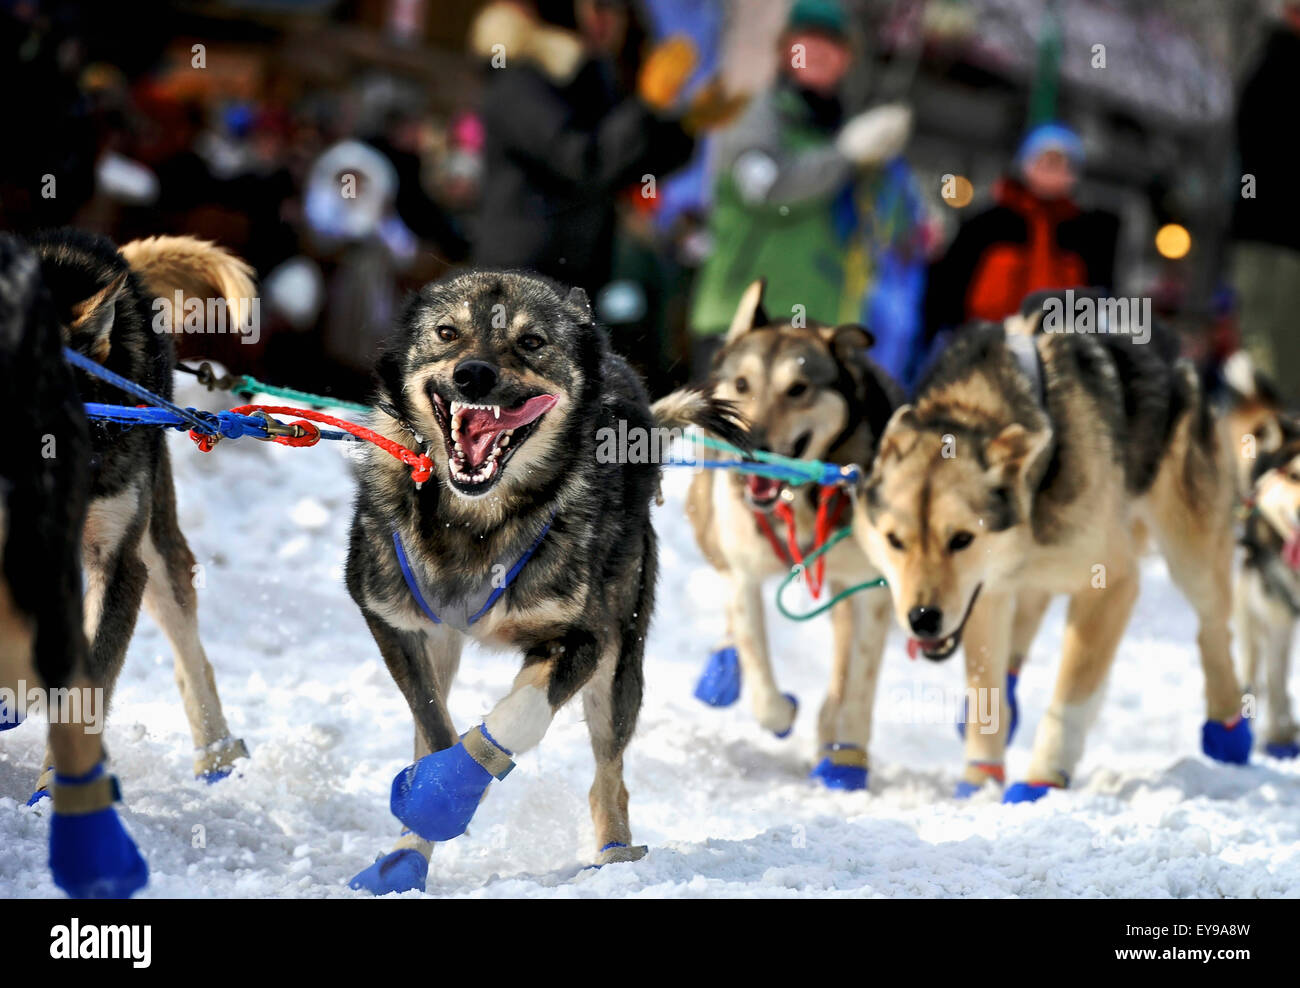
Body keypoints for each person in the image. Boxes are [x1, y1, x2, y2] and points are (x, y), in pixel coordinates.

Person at [687, 0, 912, 380]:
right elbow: (767, 191)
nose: (821, 53)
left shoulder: (847, 133)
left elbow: (882, 230)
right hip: (743, 322)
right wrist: (844, 155)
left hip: (819, 332)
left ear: (847, 60)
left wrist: (907, 204)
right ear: (785, 50)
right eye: (807, 42)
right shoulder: (752, 115)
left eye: (834, 45)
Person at [469, 0, 705, 298]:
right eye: (595, 7)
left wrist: (683, 128)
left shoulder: (590, 80)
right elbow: (584, 161)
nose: (605, 20)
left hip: (580, 273)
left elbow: (626, 165)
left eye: (614, 9)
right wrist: (645, 107)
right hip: (523, 275)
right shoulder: (519, 85)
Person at [923, 122, 1119, 340]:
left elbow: (1098, 300)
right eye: (1044, 161)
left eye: (1061, 164)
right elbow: (948, 287)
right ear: (1025, 164)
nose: (1051, 171)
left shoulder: (1087, 236)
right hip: (984, 345)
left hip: (1056, 351)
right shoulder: (987, 224)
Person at [1232, 2, 1300, 404]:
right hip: (1270, 235)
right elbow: (1257, 153)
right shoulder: (1275, 66)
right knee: (1266, 348)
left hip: (1279, 235)